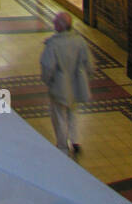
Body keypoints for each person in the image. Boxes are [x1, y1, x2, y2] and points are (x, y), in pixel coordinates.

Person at [40, 11, 93, 157]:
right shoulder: (79, 41)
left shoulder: (53, 44)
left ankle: (63, 145)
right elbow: (88, 64)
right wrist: (86, 76)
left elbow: (47, 67)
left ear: (60, 26)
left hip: (59, 86)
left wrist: (47, 80)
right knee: (73, 112)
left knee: (59, 117)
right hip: (76, 84)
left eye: (55, 21)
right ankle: (75, 141)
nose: (53, 23)